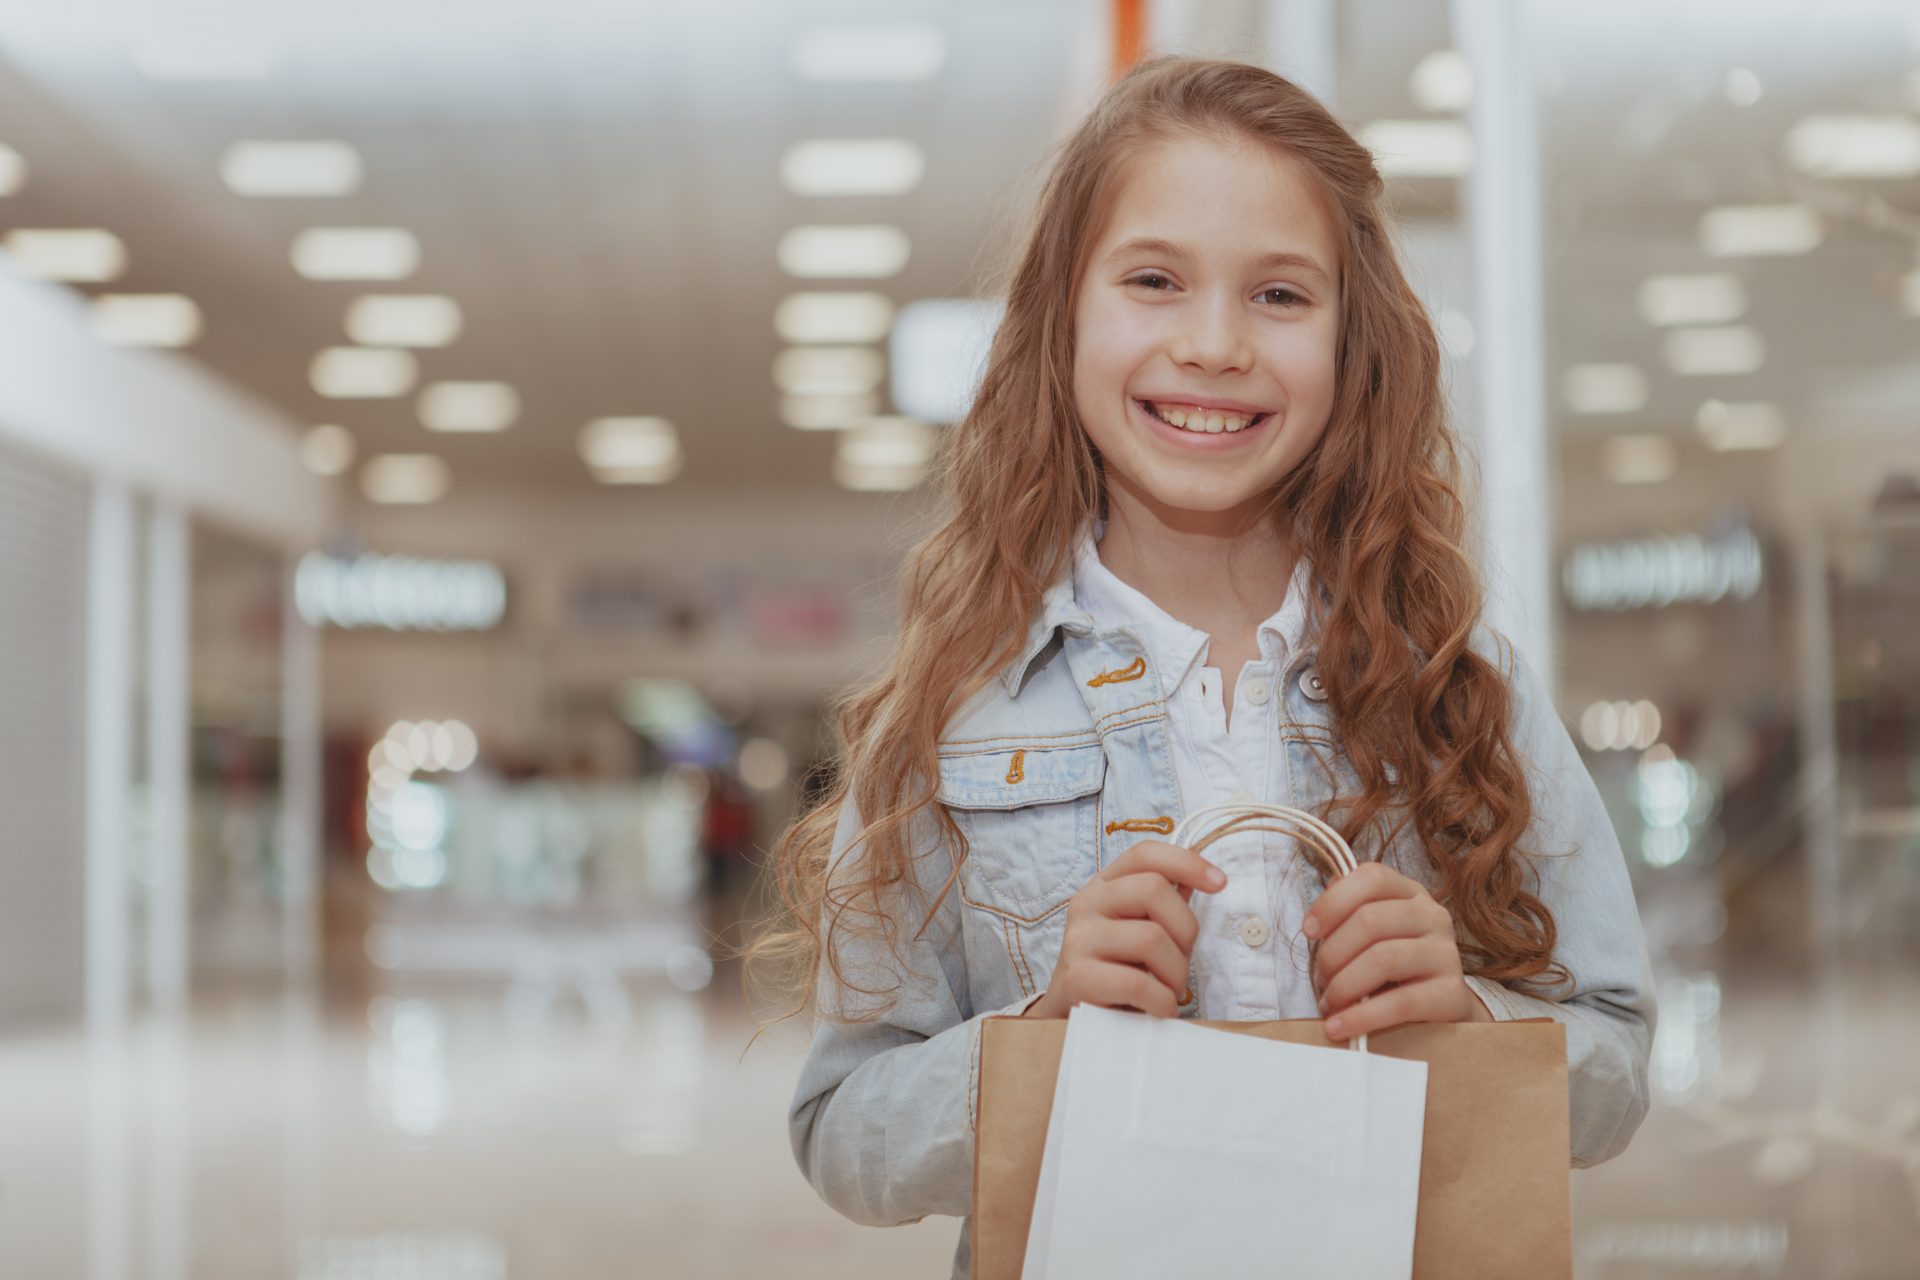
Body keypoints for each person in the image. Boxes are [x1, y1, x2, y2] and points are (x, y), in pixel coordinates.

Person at [753, 56, 1656, 1276]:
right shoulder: (952, 710)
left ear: (1356, 341)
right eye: (1154, 281)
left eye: (1280, 294)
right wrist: (1043, 1034)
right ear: (1063, 315)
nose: (1216, 343)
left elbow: (1613, 1068)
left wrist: (1471, 1014)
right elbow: (842, 1130)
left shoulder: (1459, 679)